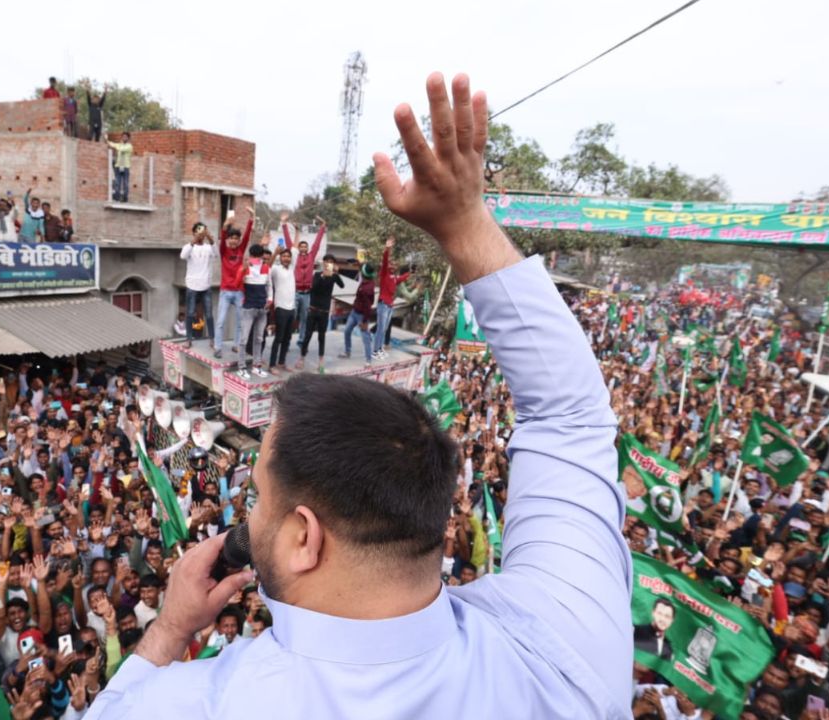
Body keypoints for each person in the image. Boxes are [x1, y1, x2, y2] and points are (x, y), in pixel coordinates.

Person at [84, 72, 629, 719]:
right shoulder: (561, 650)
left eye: (258, 498)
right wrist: (466, 223)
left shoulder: (200, 703)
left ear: (304, 538)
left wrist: (171, 630)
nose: (245, 520)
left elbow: (570, 417)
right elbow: (572, 418)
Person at [213, 207, 256, 359]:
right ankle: (218, 347)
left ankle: (236, 345)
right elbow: (222, 236)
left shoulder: (240, 250)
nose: (234, 240)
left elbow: (247, 236)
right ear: (228, 239)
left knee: (240, 321)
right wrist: (225, 225)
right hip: (225, 291)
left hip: (239, 291)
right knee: (220, 321)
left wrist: (251, 218)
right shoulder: (223, 250)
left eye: (236, 238)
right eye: (231, 238)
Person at [286, 215, 327, 351]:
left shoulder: (311, 256)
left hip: (307, 294)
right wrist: (285, 226)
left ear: (308, 248)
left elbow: (317, 243)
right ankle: (287, 339)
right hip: (295, 292)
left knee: (305, 318)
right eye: (301, 246)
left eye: (305, 246)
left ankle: (301, 341)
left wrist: (322, 227)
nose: (303, 248)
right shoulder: (294, 257)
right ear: (298, 248)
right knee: (292, 316)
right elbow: (289, 242)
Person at [296, 254, 343, 373]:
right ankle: (302, 358)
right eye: (326, 261)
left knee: (321, 337)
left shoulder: (334, 276)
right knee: (307, 335)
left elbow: (342, 285)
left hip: (324, 312)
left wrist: (337, 273)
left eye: (331, 262)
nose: (328, 264)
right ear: (323, 263)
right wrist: (323, 276)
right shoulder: (317, 275)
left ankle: (321, 360)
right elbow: (313, 288)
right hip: (313, 310)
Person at [235, 244, 274, 379]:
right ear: (251, 255)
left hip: (262, 308)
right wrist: (243, 269)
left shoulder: (266, 268)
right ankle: (241, 367)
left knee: (259, 338)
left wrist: (270, 300)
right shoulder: (245, 268)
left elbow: (269, 285)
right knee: (244, 339)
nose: (256, 258)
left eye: (258, 256)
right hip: (248, 308)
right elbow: (236, 284)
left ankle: (256, 366)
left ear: (261, 256)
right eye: (254, 256)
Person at [374, 236, 413, 357]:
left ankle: (379, 349)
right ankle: (376, 350)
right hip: (383, 305)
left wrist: (410, 273)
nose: (393, 265)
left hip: (390, 306)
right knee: (381, 329)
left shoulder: (394, 278)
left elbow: (402, 278)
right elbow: (385, 260)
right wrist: (387, 249)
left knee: (384, 329)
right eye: (392, 263)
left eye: (395, 264)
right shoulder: (384, 274)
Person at [180, 222, 216, 347]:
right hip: (192, 285)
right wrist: (194, 241)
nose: (201, 233)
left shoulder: (209, 247)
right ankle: (188, 339)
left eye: (204, 231)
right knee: (190, 313)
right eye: (199, 231)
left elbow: (216, 254)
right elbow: (183, 255)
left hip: (206, 285)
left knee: (209, 314)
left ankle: (212, 339)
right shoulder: (189, 246)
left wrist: (210, 238)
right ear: (194, 232)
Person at [267, 242, 297, 374]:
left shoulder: (292, 268)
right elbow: (267, 267)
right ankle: (272, 365)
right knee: (278, 338)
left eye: (288, 256)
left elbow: (294, 247)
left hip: (291, 308)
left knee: (287, 338)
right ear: (280, 258)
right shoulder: (276, 269)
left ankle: (281, 362)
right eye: (284, 256)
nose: (286, 258)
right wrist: (275, 253)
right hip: (280, 308)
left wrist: (295, 232)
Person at [341, 262, 377, 368]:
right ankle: (347, 351)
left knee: (365, 338)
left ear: (363, 274)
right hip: (354, 312)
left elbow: (368, 306)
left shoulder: (367, 289)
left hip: (361, 316)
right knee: (347, 331)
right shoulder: (365, 282)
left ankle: (368, 360)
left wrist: (365, 321)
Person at [107, 133, 133, 203]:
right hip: (118, 166)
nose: (124, 138)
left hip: (126, 166)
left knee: (125, 183)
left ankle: (125, 198)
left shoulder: (129, 146)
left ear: (128, 138)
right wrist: (107, 140)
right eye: (123, 137)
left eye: (125, 137)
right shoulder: (119, 145)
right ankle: (117, 197)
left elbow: (121, 149)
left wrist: (116, 146)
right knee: (117, 182)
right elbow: (112, 144)